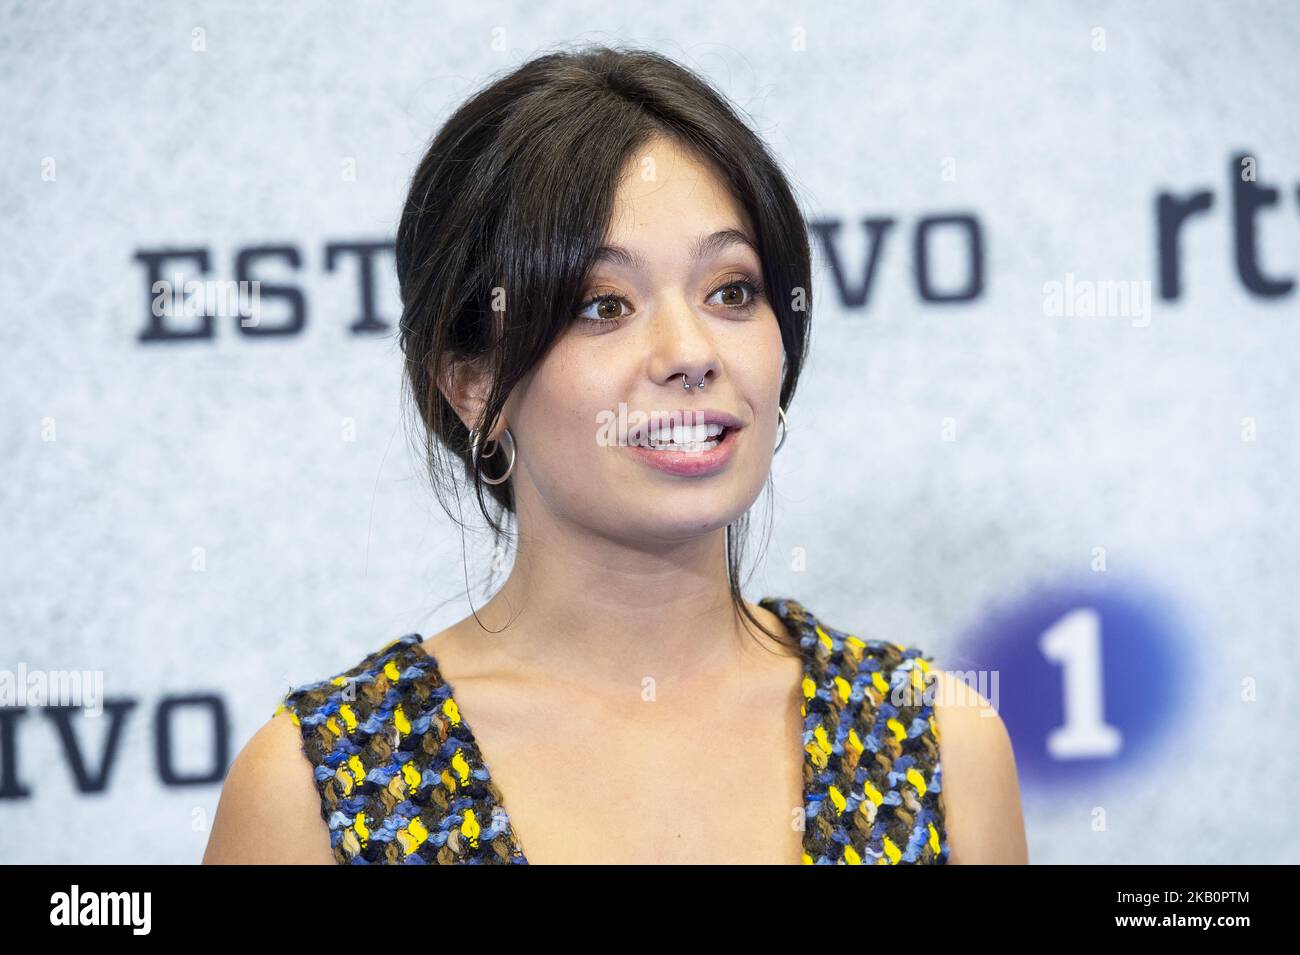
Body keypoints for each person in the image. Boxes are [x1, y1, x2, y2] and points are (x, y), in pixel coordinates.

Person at [203, 44, 1027, 865]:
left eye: (731, 291)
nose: (690, 352)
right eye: (604, 305)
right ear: (473, 385)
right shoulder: (319, 789)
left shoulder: (934, 741)